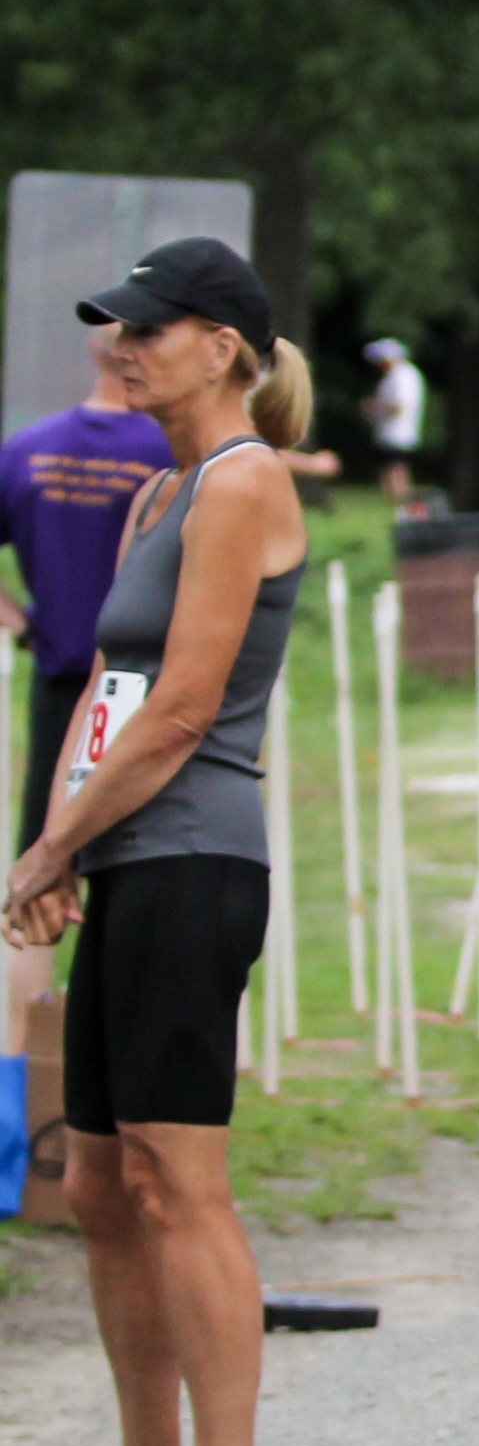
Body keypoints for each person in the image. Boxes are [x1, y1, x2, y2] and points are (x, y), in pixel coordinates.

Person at [7, 238, 312, 1446]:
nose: (120, 348)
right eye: (114, 329)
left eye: (147, 329)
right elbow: (104, 688)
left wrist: (53, 844)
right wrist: (59, 842)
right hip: (123, 852)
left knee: (178, 1176)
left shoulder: (243, 482)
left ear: (222, 348)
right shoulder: (158, 492)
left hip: (194, 857)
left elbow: (184, 710)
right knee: (99, 1179)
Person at [0, 327, 175, 1040]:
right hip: (152, 685)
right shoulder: (168, 453)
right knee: (146, 871)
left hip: (59, 679)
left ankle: (20, 1059)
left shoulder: (27, 449)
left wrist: (19, 619)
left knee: (41, 870)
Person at [362, 336, 425, 507]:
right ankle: (401, 508)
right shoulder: (396, 376)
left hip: (397, 435)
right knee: (390, 475)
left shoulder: (402, 376)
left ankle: (405, 508)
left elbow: (398, 407)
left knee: (395, 476)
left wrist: (374, 407)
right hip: (391, 435)